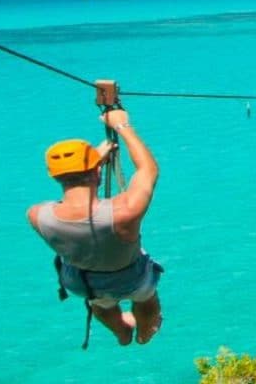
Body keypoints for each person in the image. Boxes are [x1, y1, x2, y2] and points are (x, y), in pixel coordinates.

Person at [27, 108, 163, 346]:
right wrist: (122, 125)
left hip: (82, 282)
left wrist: (93, 165)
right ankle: (144, 334)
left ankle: (122, 332)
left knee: (100, 302)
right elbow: (148, 170)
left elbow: (76, 208)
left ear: (54, 176)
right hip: (130, 279)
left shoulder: (37, 215)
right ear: (97, 171)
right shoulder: (124, 212)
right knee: (146, 300)